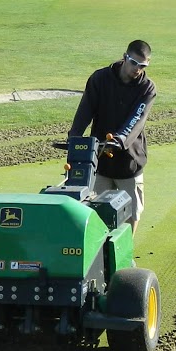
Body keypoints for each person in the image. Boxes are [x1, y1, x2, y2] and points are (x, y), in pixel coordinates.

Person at [68, 39, 156, 227]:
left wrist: (120, 139)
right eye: (134, 63)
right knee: (96, 213)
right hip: (100, 161)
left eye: (143, 65)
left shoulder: (147, 88)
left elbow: (137, 119)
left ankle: (126, 254)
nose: (137, 69)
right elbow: (85, 111)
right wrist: (74, 138)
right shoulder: (100, 79)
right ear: (125, 57)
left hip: (130, 162)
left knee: (132, 214)